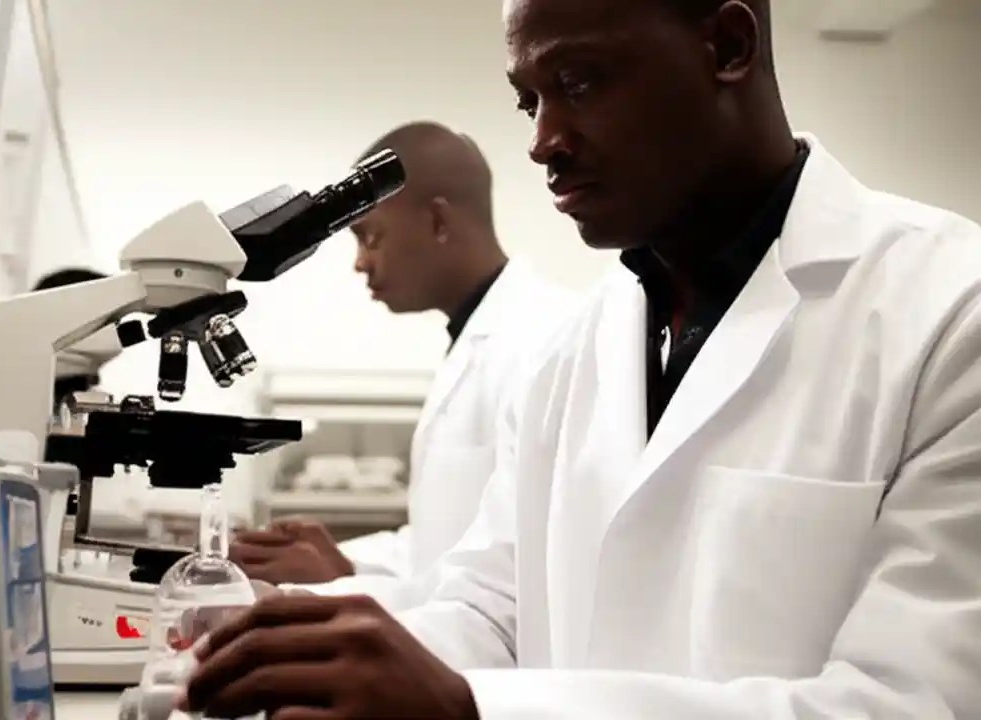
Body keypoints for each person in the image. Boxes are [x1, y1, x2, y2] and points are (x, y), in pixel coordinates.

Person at [177, 0, 981, 717]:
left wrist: (468, 706)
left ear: (729, 46)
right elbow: (493, 609)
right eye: (530, 100)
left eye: (581, 81)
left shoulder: (947, 312)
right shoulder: (578, 344)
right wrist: (306, 654)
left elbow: (914, 699)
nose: (541, 142)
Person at [229, 121, 579, 610]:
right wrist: (338, 561)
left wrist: (339, 581)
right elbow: (442, 544)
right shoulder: (476, 336)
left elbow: (515, 584)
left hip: (491, 661)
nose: (360, 263)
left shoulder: (544, 343)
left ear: (438, 222)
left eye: (370, 236)